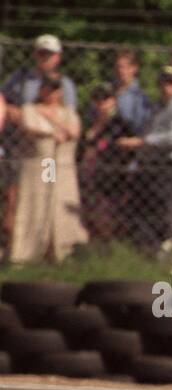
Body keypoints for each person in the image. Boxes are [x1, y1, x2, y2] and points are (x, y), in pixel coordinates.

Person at [115, 65, 172, 251]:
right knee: (143, 210)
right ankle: (144, 251)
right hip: (151, 164)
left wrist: (141, 142)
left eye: (171, 81)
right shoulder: (159, 105)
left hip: (170, 166)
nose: (166, 86)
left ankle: (164, 252)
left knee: (164, 213)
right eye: (163, 81)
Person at [9, 75, 87, 263]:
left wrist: (54, 121)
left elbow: (73, 132)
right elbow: (32, 127)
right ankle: (32, 250)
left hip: (63, 166)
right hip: (44, 163)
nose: (51, 93)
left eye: (55, 88)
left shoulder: (68, 112)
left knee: (61, 202)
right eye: (47, 88)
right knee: (41, 199)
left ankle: (62, 249)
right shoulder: (31, 109)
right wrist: (53, 130)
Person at [78, 83, 135, 238]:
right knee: (88, 212)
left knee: (106, 216)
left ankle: (108, 246)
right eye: (97, 99)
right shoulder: (90, 122)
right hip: (88, 175)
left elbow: (126, 151)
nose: (101, 103)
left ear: (113, 100)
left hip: (110, 178)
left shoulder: (120, 124)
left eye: (105, 99)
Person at [3, 35, 77, 107]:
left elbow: (69, 112)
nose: (45, 57)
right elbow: (2, 100)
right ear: (35, 55)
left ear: (58, 57)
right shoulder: (20, 76)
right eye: (41, 53)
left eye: (50, 54)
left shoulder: (65, 83)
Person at [107, 50, 151, 134]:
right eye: (118, 67)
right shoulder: (108, 90)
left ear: (134, 68)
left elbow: (140, 125)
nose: (121, 71)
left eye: (126, 67)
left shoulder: (139, 96)